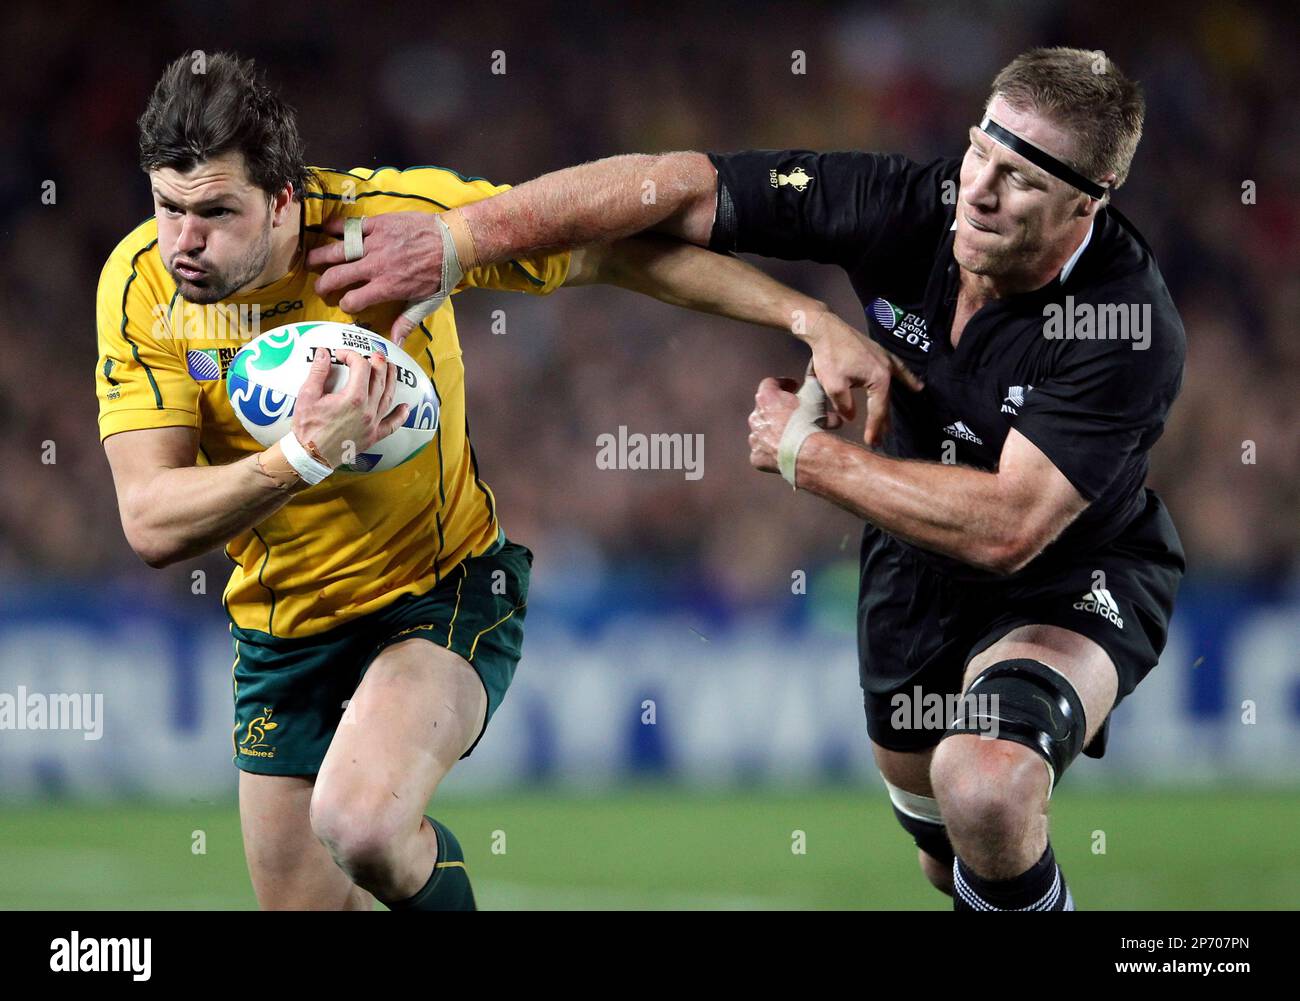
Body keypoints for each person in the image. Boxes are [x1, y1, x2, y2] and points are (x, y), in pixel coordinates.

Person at [317, 47, 1187, 911]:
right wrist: (456, 239)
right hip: (916, 571)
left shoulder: (1123, 320)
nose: (983, 192)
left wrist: (808, 454)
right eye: (980, 153)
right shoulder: (905, 205)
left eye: (1023, 179)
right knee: (951, 854)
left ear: (1089, 198)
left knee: (987, 785)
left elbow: (1011, 527)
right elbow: (674, 187)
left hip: (1074, 575)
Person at [96, 51, 884, 910]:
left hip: (440, 590)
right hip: (283, 626)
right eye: (168, 208)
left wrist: (805, 318)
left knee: (360, 822)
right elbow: (150, 520)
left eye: (215, 211)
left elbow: (613, 254)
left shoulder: (397, 224)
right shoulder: (141, 290)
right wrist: (304, 455)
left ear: (284, 197)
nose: (184, 241)